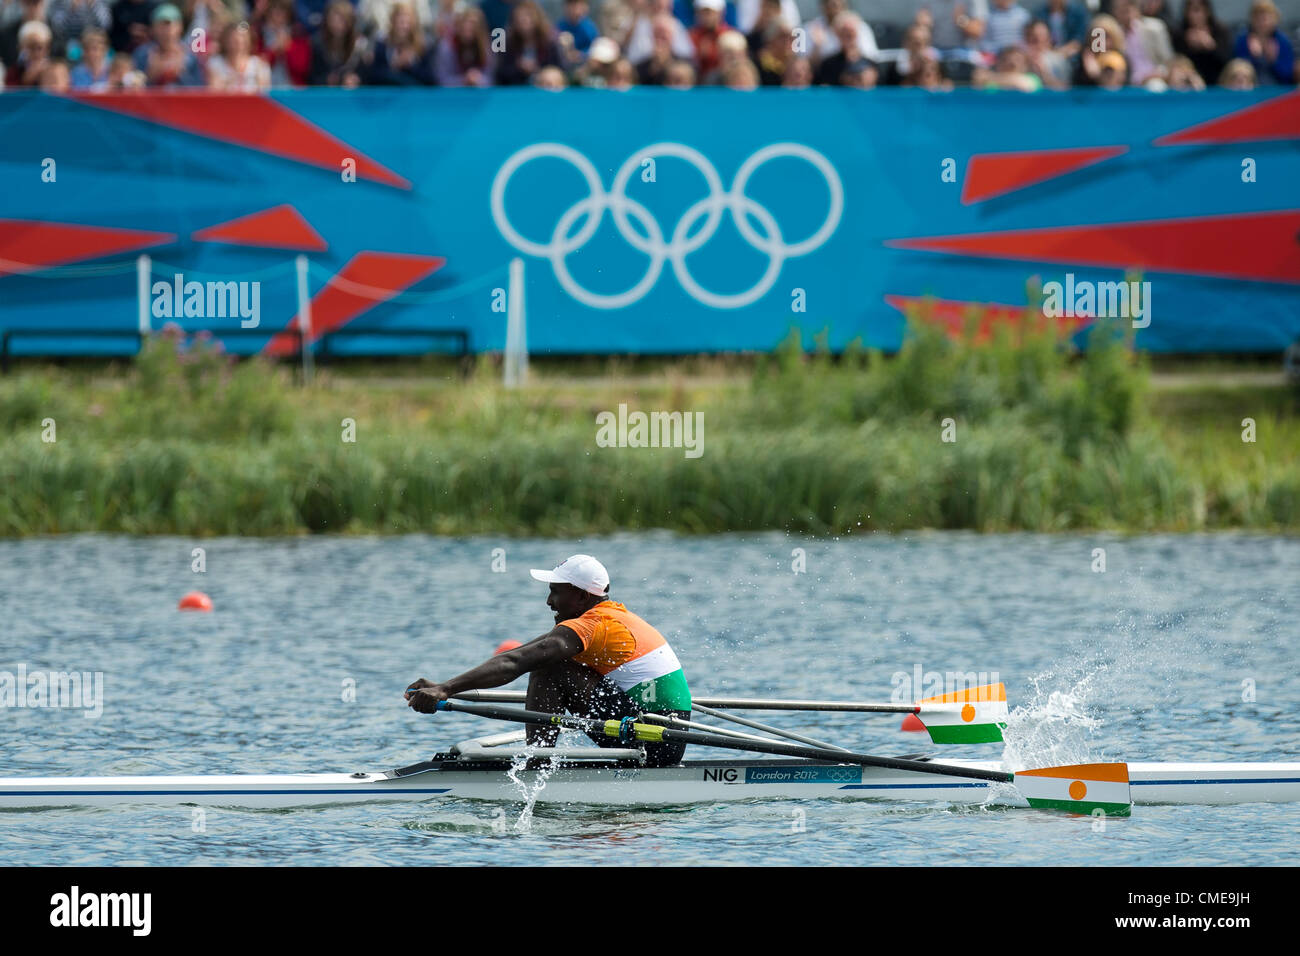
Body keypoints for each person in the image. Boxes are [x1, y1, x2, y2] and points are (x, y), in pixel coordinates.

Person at [406, 555, 693, 768]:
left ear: (581, 596)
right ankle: (540, 759)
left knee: (550, 667)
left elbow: (516, 662)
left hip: (653, 740)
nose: (549, 601)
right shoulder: (608, 617)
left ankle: (538, 764)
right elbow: (520, 654)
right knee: (547, 660)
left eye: (556, 591)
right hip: (657, 731)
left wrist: (445, 690)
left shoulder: (594, 626)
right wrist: (444, 686)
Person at [131, 3, 204, 86]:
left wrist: (181, 74)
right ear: (153, 28)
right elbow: (133, 87)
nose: (166, 31)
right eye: (161, 26)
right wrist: (150, 75)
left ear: (180, 27)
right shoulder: (141, 55)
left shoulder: (191, 56)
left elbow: (199, 87)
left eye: (169, 25)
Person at [1232, 0, 1293, 84]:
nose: (1262, 23)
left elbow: (1287, 74)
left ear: (1275, 19)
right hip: (1252, 87)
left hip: (1278, 87)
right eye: (1258, 18)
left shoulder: (1283, 41)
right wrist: (1254, 57)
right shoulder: (1242, 40)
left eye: (1265, 18)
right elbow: (1237, 71)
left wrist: (1274, 60)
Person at [1174, 0, 1231, 87]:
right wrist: (1189, 46)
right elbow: (1177, 60)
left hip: (1217, 80)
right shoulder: (1180, 34)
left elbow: (1226, 61)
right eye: (1190, 10)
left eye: (1197, 10)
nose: (1194, 15)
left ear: (1207, 11)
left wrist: (1210, 45)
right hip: (1189, 82)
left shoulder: (1220, 31)